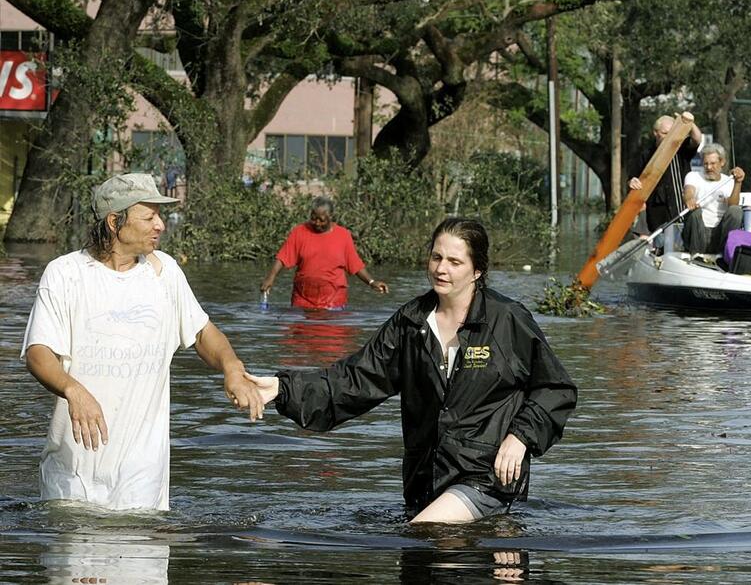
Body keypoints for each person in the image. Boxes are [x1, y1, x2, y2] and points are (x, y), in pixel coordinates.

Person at [245, 217, 577, 523]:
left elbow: (555, 389)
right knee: (420, 551)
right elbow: (355, 379)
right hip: (425, 482)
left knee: (427, 529)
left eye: (454, 262)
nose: (441, 269)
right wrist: (282, 388)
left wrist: (520, 437)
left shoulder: (507, 320)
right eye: (436, 257)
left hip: (487, 476)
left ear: (477, 270)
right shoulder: (410, 322)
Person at [21, 173, 263, 511]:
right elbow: (38, 352)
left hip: (142, 475)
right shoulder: (65, 274)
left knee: (139, 538)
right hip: (72, 470)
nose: (160, 225)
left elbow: (203, 332)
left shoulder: (164, 273)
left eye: (159, 216)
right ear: (114, 222)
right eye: (149, 217)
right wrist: (73, 390)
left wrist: (232, 368)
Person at [260, 196, 388, 310]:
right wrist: (270, 278)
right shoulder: (299, 232)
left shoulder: (343, 235)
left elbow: (355, 264)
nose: (317, 223)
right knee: (301, 329)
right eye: (313, 219)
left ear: (331, 217)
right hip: (302, 299)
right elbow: (283, 257)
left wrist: (372, 282)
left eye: (321, 220)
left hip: (334, 301)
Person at [626, 112, 703, 233]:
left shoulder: (682, 148)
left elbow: (697, 139)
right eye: (665, 133)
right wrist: (632, 181)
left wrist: (688, 122)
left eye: (671, 133)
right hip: (658, 214)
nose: (668, 137)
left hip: (683, 208)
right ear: (655, 133)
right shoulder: (646, 154)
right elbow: (632, 178)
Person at [679, 143, 744, 255]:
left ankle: (725, 253)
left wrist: (738, 183)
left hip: (719, 232)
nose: (709, 168)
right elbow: (689, 191)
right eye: (706, 164)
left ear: (722, 162)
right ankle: (695, 254)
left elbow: (733, 205)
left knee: (736, 211)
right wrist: (689, 199)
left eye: (713, 163)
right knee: (695, 212)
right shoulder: (693, 176)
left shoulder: (729, 181)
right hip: (698, 230)